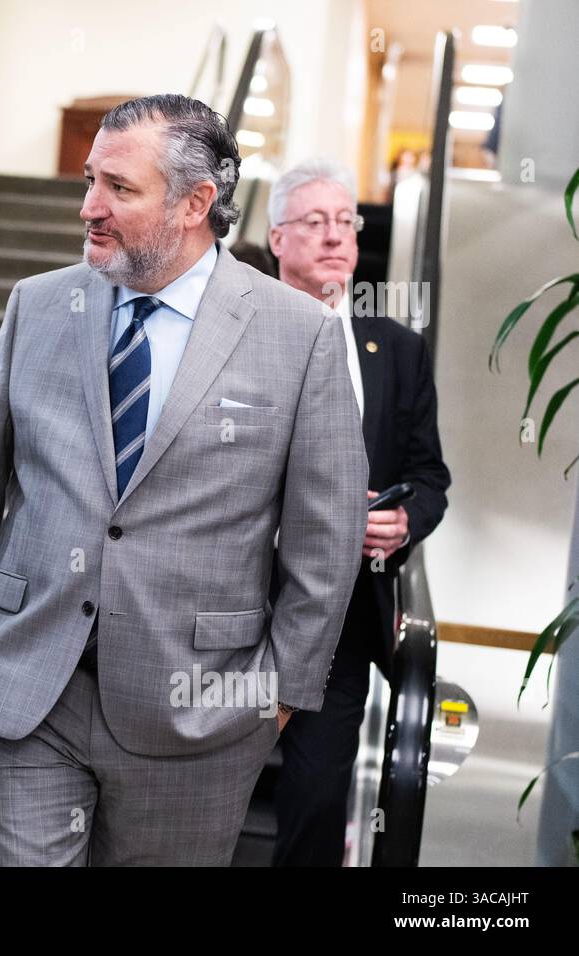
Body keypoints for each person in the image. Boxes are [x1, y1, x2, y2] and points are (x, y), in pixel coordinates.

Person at [0, 94, 369, 866]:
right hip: (26, 686)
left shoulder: (299, 338)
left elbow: (326, 539)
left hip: (199, 712)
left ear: (196, 203)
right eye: (91, 181)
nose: (90, 207)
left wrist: (278, 690)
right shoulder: (39, 305)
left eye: (119, 188)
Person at [266, 158, 450, 865]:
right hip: (227, 606)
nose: (337, 237)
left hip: (339, 617)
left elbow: (429, 475)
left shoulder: (397, 351)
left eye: (347, 222)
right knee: (195, 785)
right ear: (278, 237)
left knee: (316, 800)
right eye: (316, 222)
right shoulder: (235, 334)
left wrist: (405, 522)